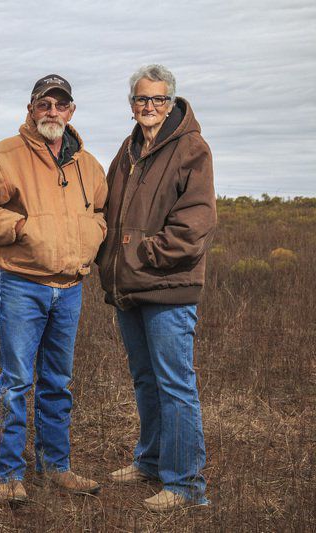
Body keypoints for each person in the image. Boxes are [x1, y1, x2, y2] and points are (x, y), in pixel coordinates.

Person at [0, 74, 107, 503]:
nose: (53, 112)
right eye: (45, 104)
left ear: (72, 112)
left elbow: (101, 210)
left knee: (58, 382)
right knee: (17, 381)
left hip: (70, 288)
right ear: (31, 108)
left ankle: (55, 466)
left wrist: (92, 235)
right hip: (23, 286)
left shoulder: (88, 165)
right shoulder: (7, 156)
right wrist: (20, 228)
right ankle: (9, 474)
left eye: (61, 105)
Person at [96, 64, 216, 512]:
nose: (150, 107)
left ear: (171, 103)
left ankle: (186, 484)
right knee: (146, 380)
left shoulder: (190, 149)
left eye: (158, 100)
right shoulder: (126, 153)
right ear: (132, 106)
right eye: (142, 100)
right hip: (130, 290)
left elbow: (194, 225)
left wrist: (138, 256)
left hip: (168, 288)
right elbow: (108, 213)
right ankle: (149, 460)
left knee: (176, 385)